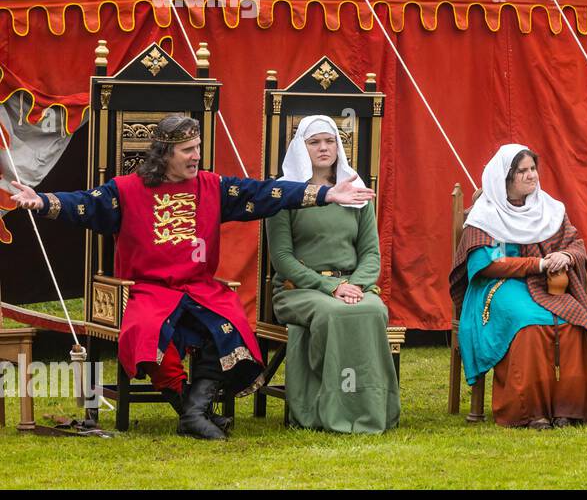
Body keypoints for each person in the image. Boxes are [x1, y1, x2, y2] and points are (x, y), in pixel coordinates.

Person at [7, 114, 375, 439]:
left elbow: (265, 192)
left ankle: (195, 413)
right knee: (148, 336)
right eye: (188, 149)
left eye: (197, 147)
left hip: (201, 289)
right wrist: (41, 201)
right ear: (165, 153)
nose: (196, 155)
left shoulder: (212, 187)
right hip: (150, 291)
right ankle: (192, 410)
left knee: (229, 324)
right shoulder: (127, 190)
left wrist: (326, 194)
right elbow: (85, 204)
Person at [449, 145, 587, 429]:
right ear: (505, 178)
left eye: (533, 169)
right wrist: (537, 265)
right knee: (527, 323)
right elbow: (487, 265)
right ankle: (528, 411)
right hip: (496, 285)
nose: (531, 176)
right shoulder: (486, 214)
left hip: (541, 284)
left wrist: (565, 256)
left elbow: (576, 244)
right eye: (523, 171)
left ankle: (568, 408)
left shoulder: (548, 208)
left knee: (575, 322)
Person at [266, 115, 400, 432]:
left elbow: (371, 253)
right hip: (298, 289)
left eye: (330, 141)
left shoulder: (357, 193)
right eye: (314, 142)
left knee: (372, 309)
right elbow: (282, 258)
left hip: (351, 287)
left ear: (339, 146)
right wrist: (330, 287)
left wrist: (351, 285)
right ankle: (327, 408)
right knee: (333, 313)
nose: (323, 148)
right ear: (302, 148)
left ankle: (371, 410)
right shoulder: (284, 194)